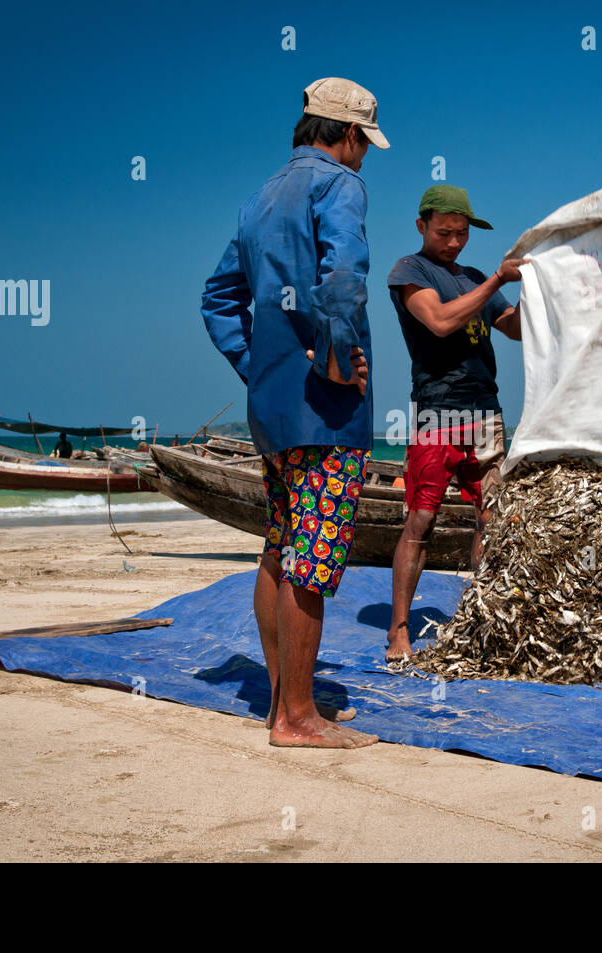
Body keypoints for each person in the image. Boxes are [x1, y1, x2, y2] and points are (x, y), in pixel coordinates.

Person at [201, 77, 387, 748]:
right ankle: (297, 717)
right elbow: (343, 277)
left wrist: (259, 370)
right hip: (326, 410)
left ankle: (283, 701)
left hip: (274, 410)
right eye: (363, 142)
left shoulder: (259, 199)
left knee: (280, 546)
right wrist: (334, 357)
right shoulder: (339, 185)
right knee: (311, 557)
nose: (363, 156)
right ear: (344, 135)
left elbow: (219, 298)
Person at [385, 185, 525, 660]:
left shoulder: (474, 276)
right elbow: (441, 322)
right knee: (421, 519)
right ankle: (399, 630)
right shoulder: (409, 271)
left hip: (486, 411)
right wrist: (495, 283)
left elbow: (517, 329)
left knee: (491, 517)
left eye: (462, 234)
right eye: (444, 233)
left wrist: (548, 289)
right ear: (422, 225)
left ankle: (479, 619)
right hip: (436, 414)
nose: (454, 243)